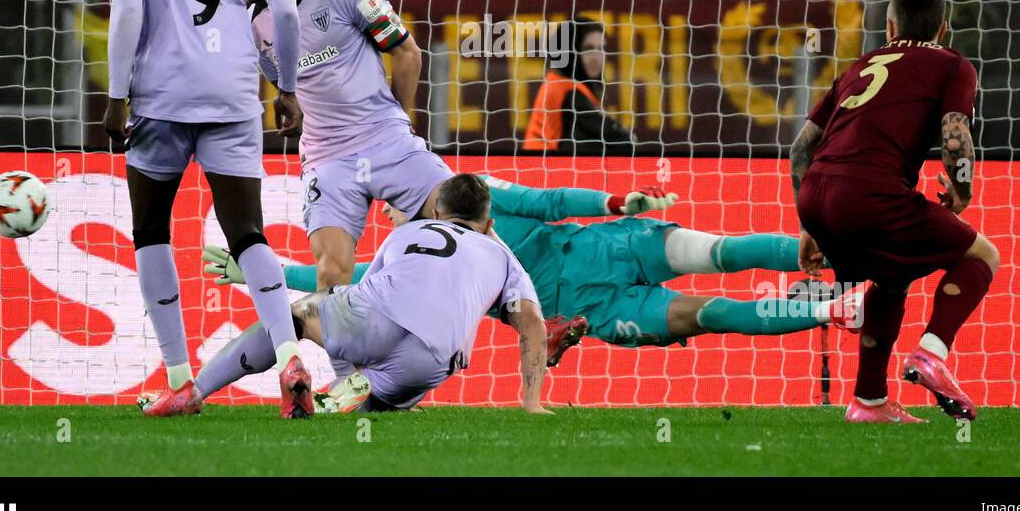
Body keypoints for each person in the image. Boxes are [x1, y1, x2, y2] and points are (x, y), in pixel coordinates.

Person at [200, 177, 860, 379]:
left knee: (719, 251)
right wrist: (248, 269)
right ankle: (834, 310)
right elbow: (342, 281)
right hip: (602, 310)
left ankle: (822, 256)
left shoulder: (475, 191)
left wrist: (609, 204)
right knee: (708, 315)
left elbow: (546, 203)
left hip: (611, 249)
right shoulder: (415, 255)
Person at [103, 0, 315, 419]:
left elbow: (128, 10)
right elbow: (282, 9)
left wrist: (118, 96)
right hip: (232, 89)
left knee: (151, 228)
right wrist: (288, 88)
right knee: (247, 232)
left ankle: (177, 379)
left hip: (161, 91)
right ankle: (289, 356)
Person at [789, 0, 1000, 424]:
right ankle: (932, 354)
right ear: (943, 28)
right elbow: (956, 133)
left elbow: (801, 148)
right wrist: (962, 189)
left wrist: (808, 224)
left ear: (888, 26)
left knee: (892, 277)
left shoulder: (860, 64)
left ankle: (868, 402)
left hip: (818, 193)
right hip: (871, 193)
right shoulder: (952, 64)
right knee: (982, 255)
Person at [196, 174, 551, 414]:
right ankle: (352, 391)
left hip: (374, 315)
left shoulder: (409, 232)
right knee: (387, 398)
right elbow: (533, 323)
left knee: (296, 316)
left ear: (438, 212)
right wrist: (532, 403)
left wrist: (272, 275)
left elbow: (363, 284)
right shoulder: (504, 258)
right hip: (430, 357)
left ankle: (195, 391)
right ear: (489, 224)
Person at [250, 0, 453, 290]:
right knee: (331, 275)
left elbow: (407, 53)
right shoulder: (253, 22)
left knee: (466, 218)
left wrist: (396, 121)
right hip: (327, 160)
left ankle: (527, 303)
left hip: (387, 138)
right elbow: (286, 86)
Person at [523, 17, 635, 154]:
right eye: (588, 48)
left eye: (602, 48)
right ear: (570, 51)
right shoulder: (568, 92)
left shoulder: (560, 83)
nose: (596, 56)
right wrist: (628, 137)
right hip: (540, 170)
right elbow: (615, 138)